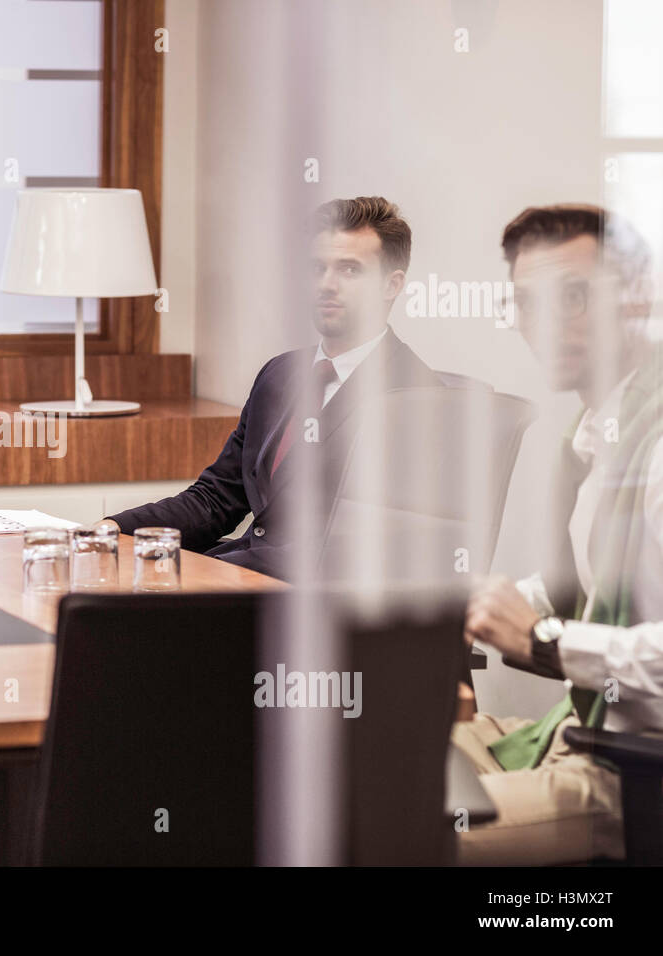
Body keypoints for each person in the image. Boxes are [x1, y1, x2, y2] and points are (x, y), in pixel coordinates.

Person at [456, 204, 663, 865]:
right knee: (377, 753)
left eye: (575, 297)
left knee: (388, 831)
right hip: (576, 734)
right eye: (526, 302)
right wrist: (483, 613)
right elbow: (600, 584)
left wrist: (545, 642)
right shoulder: (608, 428)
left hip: (630, 773)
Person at [102, 196, 441, 580]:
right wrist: (116, 529)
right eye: (317, 268)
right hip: (243, 585)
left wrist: (204, 573)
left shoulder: (415, 396)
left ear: (391, 285)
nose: (327, 285)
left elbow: (352, 547)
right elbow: (216, 499)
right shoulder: (280, 374)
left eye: (349, 269)